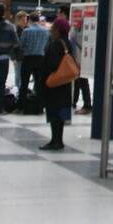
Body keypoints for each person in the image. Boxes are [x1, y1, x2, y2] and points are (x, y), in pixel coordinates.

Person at [40, 18, 73, 150]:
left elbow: (52, 64)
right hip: (64, 82)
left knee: (54, 112)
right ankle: (58, 140)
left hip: (54, 82)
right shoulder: (67, 43)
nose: (51, 30)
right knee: (60, 113)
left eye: (53, 28)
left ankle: (55, 140)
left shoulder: (56, 43)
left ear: (58, 30)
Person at [17, 10, 49, 113]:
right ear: (39, 20)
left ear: (29, 20)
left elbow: (21, 45)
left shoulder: (26, 31)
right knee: (39, 83)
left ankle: (21, 106)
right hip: (40, 58)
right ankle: (40, 106)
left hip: (28, 58)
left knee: (24, 83)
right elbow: (48, 45)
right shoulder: (45, 31)